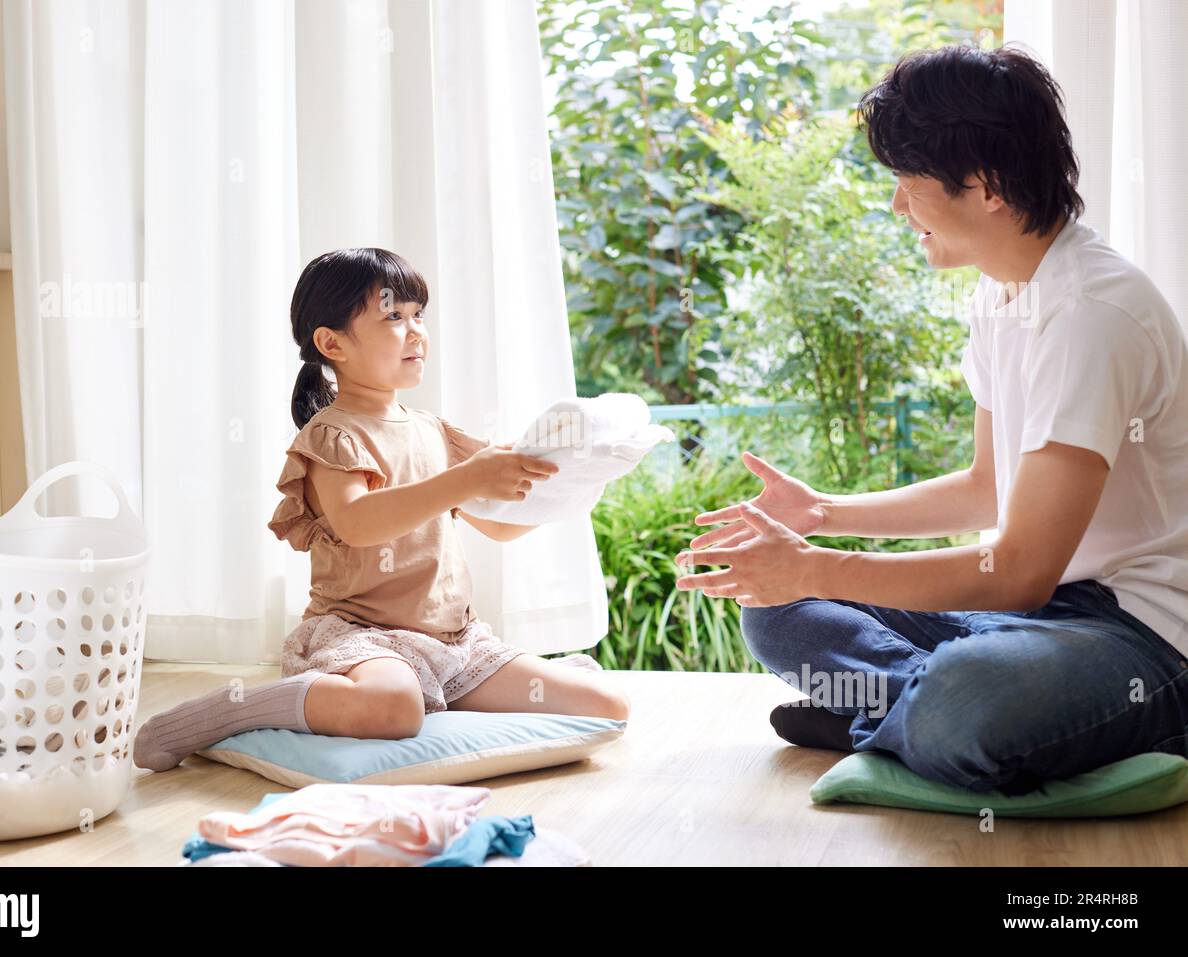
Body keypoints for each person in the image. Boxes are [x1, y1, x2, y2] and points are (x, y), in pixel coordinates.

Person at [674, 45, 1188, 794]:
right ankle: (907, 708)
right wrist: (824, 513)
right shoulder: (1000, 291)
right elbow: (988, 488)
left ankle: (901, 709)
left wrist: (817, 560)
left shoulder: (1093, 315)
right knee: (777, 611)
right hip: (1027, 627)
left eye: (907, 183)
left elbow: (1018, 571)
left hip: (1134, 637)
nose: (896, 207)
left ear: (989, 185)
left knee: (970, 700)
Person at [134, 247, 628, 771]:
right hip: (361, 635)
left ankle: (434, 688)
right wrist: (464, 478)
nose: (416, 332)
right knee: (394, 709)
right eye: (394, 317)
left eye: (419, 316)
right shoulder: (332, 434)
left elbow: (500, 527)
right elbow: (358, 522)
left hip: (455, 640)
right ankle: (228, 711)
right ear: (332, 343)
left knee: (606, 706)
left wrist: (575, 483)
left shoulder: (434, 431)